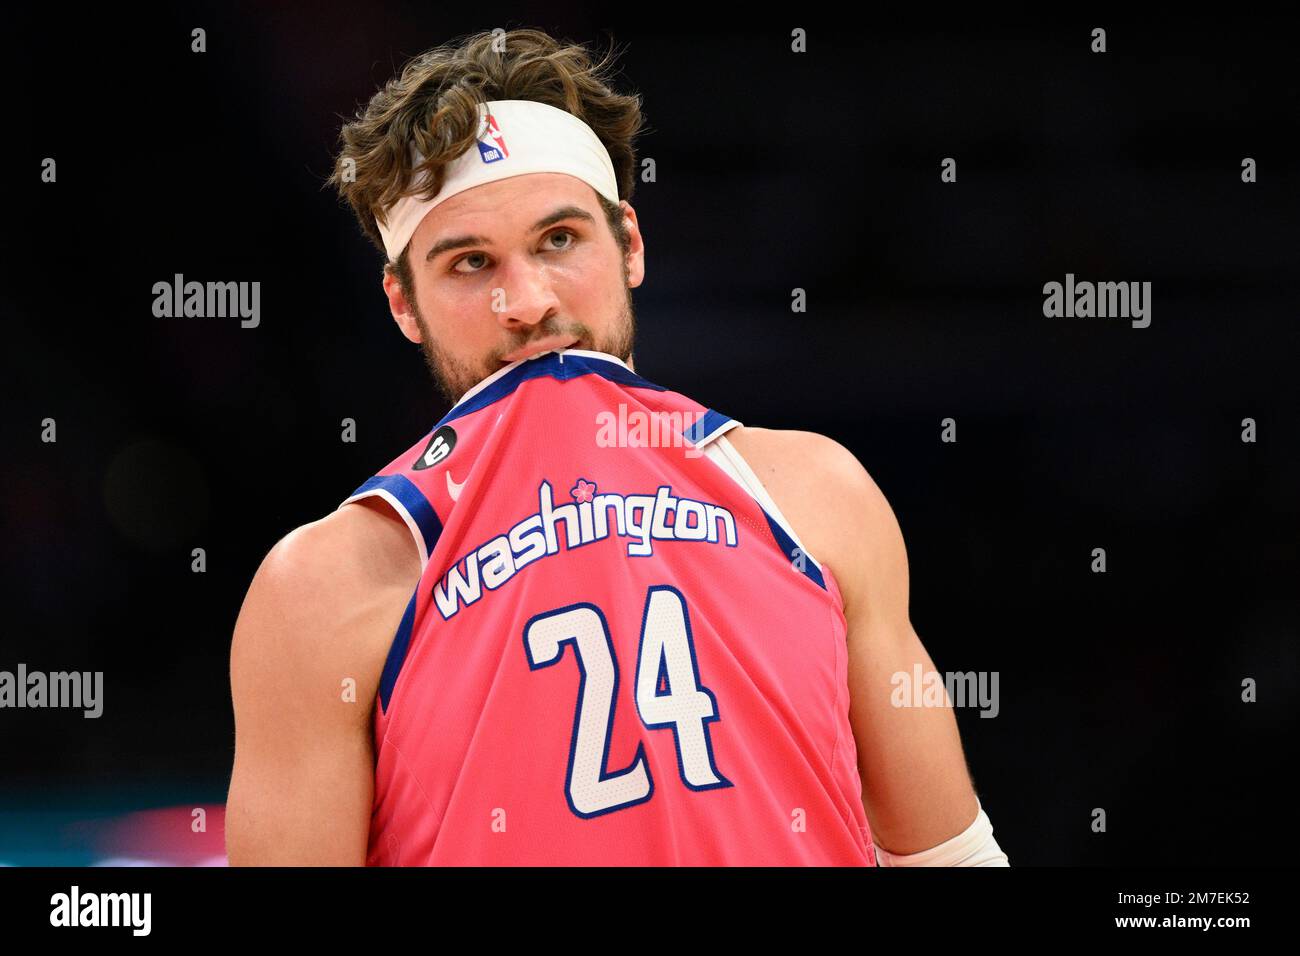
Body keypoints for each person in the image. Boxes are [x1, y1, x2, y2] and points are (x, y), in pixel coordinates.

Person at [225, 28, 1007, 866]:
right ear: (403, 304)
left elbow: (949, 857)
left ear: (628, 245)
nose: (524, 301)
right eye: (469, 263)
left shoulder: (816, 493)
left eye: (558, 241)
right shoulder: (320, 589)